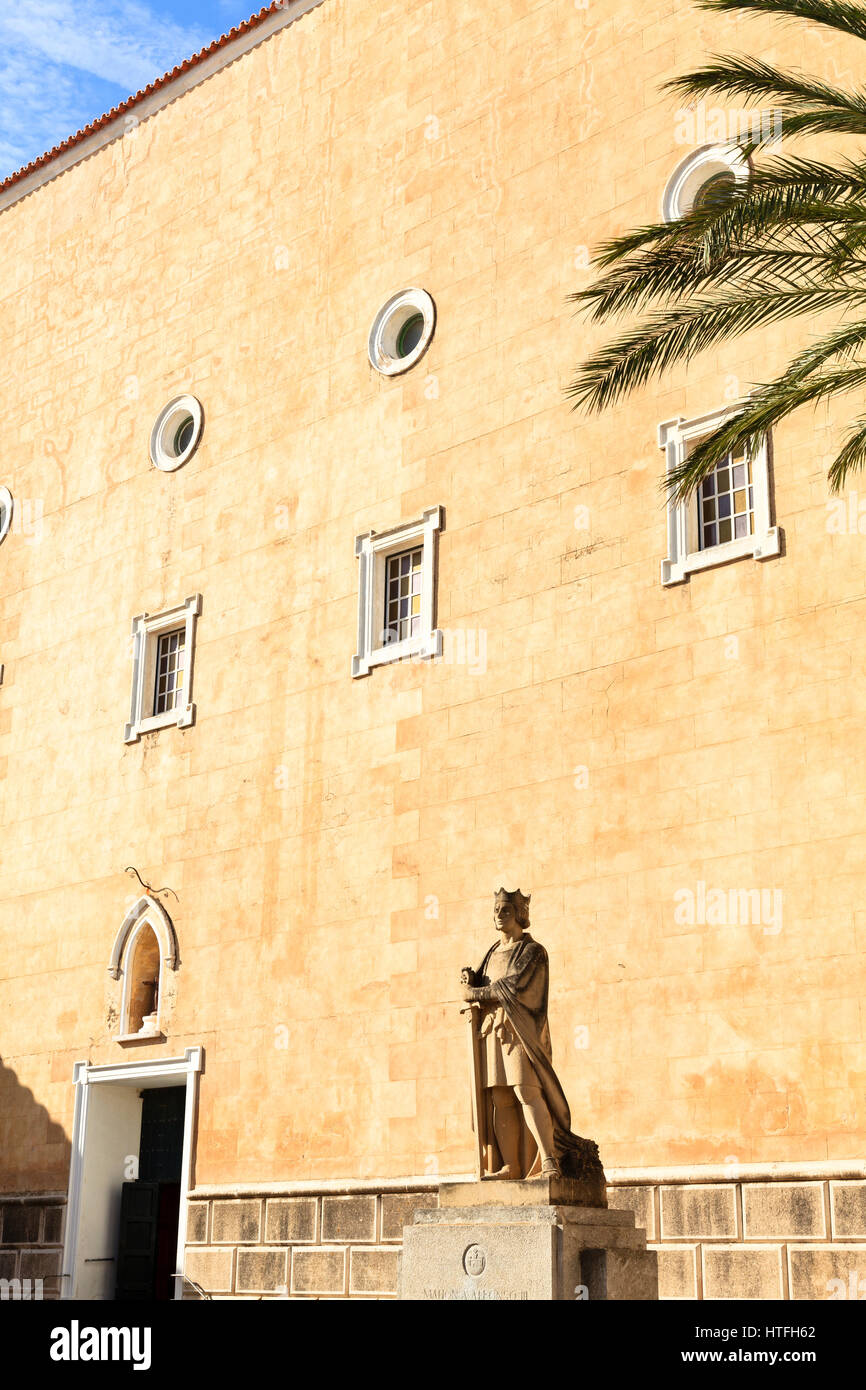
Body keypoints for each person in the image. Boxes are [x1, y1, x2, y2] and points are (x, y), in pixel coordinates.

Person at [461, 888, 595, 1181]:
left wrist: (476, 992)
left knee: (527, 1091)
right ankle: (512, 1165)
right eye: (496, 909)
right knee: (500, 1098)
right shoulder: (491, 953)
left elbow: (511, 986)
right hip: (492, 1030)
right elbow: (487, 986)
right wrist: (472, 980)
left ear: (520, 914)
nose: (499, 915)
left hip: (519, 1031)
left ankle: (549, 1161)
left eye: (506, 910)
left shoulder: (533, 952)